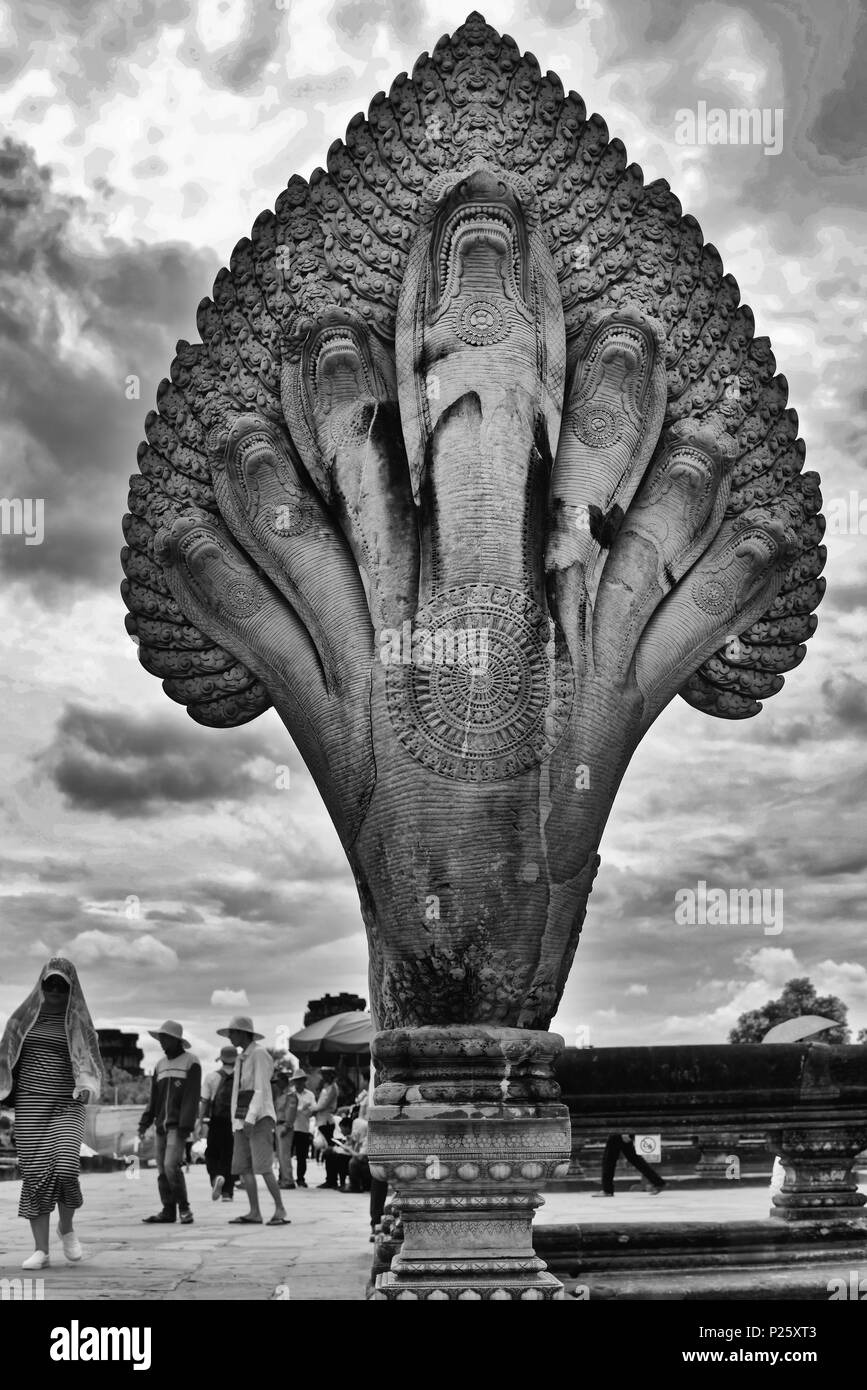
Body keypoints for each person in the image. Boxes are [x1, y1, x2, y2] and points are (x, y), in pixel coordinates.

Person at [0, 957, 103, 1269]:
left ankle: (66, 1228)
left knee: (67, 1165)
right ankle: (41, 1250)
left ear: (71, 987)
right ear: (41, 984)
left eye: (62, 984)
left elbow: (92, 1062)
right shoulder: (22, 1019)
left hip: (67, 1103)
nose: (55, 989)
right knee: (36, 1175)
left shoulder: (79, 1023)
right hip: (31, 1105)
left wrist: (88, 1085)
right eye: (50, 983)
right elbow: (5, 1057)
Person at [217, 1014, 289, 1226]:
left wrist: (249, 1118)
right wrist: (236, 1122)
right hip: (242, 1117)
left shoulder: (259, 1054)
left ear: (242, 1033)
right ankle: (254, 1211)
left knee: (263, 1165)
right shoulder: (242, 1058)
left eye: (232, 1032)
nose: (230, 1036)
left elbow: (260, 1089)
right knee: (243, 1167)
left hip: (259, 1117)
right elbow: (237, 1094)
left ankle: (280, 1208)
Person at [139, 1020, 201, 1225]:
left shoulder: (191, 1062)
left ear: (176, 1040)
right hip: (160, 1127)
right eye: (160, 1038)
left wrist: (186, 1125)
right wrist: (144, 1123)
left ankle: (184, 1208)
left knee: (170, 1166)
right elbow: (153, 1099)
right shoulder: (160, 1065)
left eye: (165, 1038)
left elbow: (191, 1097)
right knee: (161, 1170)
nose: (161, 1042)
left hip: (178, 1127)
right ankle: (168, 1210)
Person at [200, 1044, 238, 1202]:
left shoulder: (211, 1077)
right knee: (230, 1155)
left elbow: (205, 1101)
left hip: (216, 1121)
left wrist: (200, 1120)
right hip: (235, 1121)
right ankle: (228, 1192)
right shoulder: (241, 1078)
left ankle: (216, 1177)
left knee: (212, 1153)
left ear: (221, 1059)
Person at [592, 1132, 666, 1197]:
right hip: (621, 1132)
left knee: (609, 1160)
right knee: (634, 1158)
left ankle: (607, 1190)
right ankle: (658, 1182)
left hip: (619, 1132)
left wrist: (624, 1132)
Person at [286, 1069, 315, 1187]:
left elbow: (313, 1110)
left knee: (302, 1156)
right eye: (297, 1081)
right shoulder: (289, 1095)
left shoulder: (310, 1095)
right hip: (290, 1128)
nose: (299, 1083)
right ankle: (285, 1177)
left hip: (303, 1128)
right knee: (286, 1154)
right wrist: (301, 1109)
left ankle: (300, 1178)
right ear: (294, 1082)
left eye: (301, 1081)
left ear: (304, 1081)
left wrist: (306, 1110)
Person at [313, 1065, 338, 1146]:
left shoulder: (333, 1087)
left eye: (325, 1074)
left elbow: (324, 1104)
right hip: (321, 1120)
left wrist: (312, 1109)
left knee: (328, 1143)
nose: (323, 1077)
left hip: (326, 1120)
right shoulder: (326, 1086)